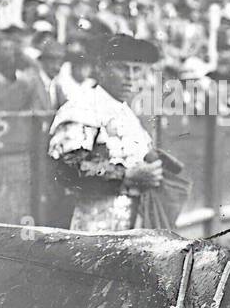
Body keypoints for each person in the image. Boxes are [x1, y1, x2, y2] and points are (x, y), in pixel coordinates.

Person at [46, 34, 165, 232]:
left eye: (136, 70)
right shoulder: (82, 106)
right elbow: (68, 167)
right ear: (101, 68)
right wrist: (126, 176)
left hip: (127, 226)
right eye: (122, 68)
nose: (130, 77)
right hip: (86, 226)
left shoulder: (127, 113)